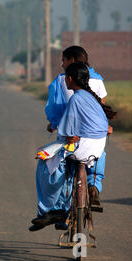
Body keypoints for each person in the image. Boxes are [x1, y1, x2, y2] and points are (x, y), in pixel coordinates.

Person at [30, 62, 116, 231]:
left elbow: (65, 131)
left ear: (69, 79)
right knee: (66, 155)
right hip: (98, 148)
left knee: (47, 161)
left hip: (81, 148)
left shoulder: (76, 98)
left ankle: (51, 209)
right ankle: (93, 186)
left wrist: (64, 135)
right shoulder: (94, 98)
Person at [45, 46, 110, 209]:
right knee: (99, 152)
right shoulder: (98, 80)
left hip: (71, 135)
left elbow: (56, 108)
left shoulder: (62, 80)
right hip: (94, 134)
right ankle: (94, 185)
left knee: (60, 162)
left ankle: (61, 206)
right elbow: (101, 106)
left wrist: (53, 124)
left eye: (63, 60)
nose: (61, 65)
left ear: (72, 61)